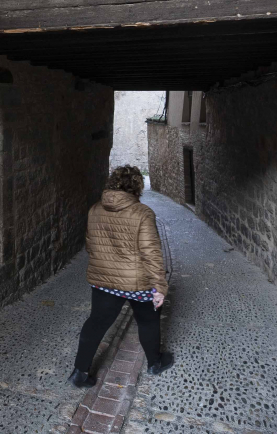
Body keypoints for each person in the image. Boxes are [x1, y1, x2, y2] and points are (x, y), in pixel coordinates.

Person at [69, 165, 174, 388]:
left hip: (104, 281)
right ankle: (155, 363)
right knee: (148, 321)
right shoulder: (143, 213)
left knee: (96, 323)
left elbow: (91, 245)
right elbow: (151, 253)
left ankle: (79, 372)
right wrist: (159, 287)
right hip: (138, 283)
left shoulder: (95, 209)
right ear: (137, 186)